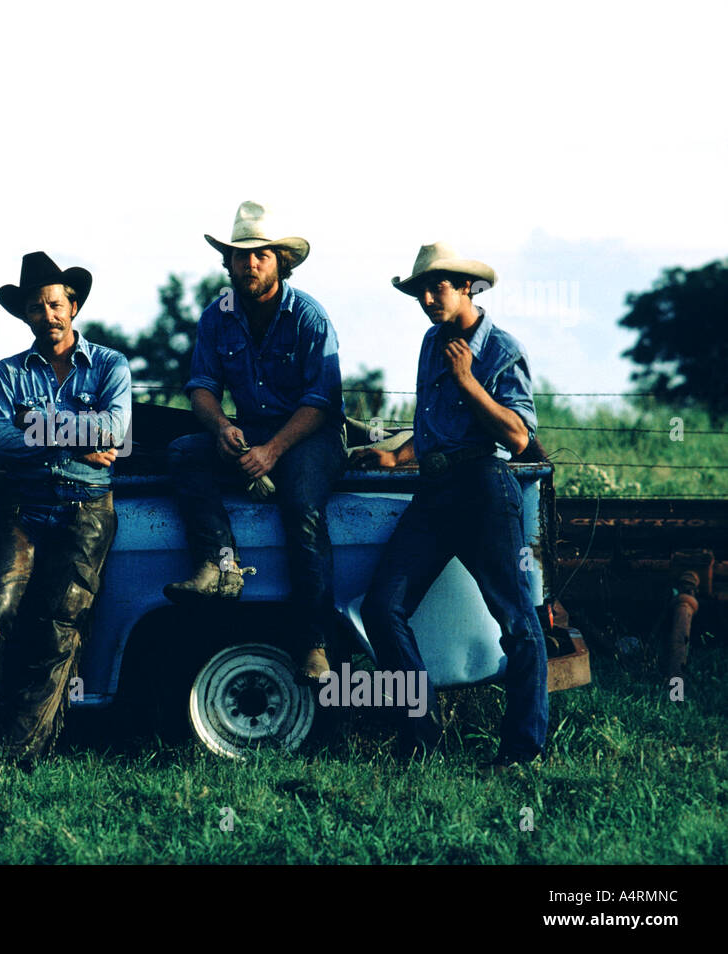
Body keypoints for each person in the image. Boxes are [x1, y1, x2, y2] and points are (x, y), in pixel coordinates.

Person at [350, 241, 548, 770]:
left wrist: (468, 381)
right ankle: (421, 737)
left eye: (439, 286)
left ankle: (522, 750)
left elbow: (520, 435)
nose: (428, 298)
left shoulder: (502, 348)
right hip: (435, 492)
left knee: (516, 620)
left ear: (467, 287)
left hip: (485, 487)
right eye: (421, 290)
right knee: (381, 607)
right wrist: (398, 457)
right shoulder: (430, 342)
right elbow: (433, 429)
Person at [0, 251, 131, 765]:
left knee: (58, 627)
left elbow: (116, 433)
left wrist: (37, 425)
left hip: (87, 508)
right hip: (26, 507)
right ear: (26, 315)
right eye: (36, 308)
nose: (48, 316)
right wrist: (75, 435)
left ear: (72, 306)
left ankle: (13, 755)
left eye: (55, 304)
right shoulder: (8, 372)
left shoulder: (109, 364)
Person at [163, 200, 347, 682]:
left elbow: (321, 400)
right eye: (240, 255)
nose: (250, 264)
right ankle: (220, 565)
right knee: (184, 453)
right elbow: (201, 387)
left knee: (302, 505)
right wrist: (222, 427)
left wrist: (272, 451)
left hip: (312, 435)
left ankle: (315, 642)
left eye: (261, 255)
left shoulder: (309, 316)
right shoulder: (216, 316)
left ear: (280, 262)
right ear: (226, 263)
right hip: (252, 434)